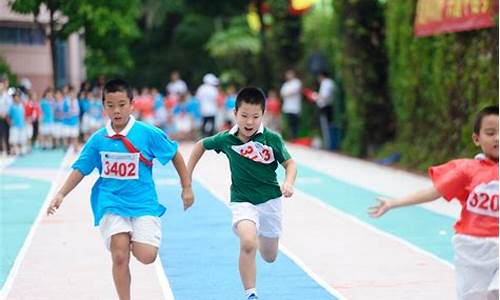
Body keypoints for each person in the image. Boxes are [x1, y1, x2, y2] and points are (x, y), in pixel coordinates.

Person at [46, 79, 195, 300]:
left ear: (132, 104)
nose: (116, 111)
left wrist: (186, 187)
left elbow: (174, 154)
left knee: (147, 256)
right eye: (111, 105)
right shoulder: (98, 139)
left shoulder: (147, 133)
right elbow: (81, 169)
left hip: (143, 202)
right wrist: (60, 193)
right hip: (111, 201)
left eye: (122, 104)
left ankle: (135, 238)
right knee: (119, 254)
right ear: (104, 106)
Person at [369, 105, 499, 300]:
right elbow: (432, 193)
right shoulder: (466, 170)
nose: (498, 138)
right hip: (472, 249)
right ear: (476, 138)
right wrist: (393, 203)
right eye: (491, 133)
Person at [187, 87, 297, 300]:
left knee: (269, 256)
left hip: (271, 202)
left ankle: (265, 235)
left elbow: (290, 163)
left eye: (255, 116)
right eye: (244, 115)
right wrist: (187, 178)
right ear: (234, 113)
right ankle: (251, 294)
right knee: (248, 241)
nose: (249, 121)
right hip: (242, 200)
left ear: (262, 116)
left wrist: (289, 182)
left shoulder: (271, 139)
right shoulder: (226, 139)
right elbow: (200, 145)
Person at [312, 71, 335, 149]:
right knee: (326, 126)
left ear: (321, 76)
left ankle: (328, 145)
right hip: (326, 106)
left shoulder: (327, 83)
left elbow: (325, 96)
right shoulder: (328, 83)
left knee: (326, 126)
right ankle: (328, 143)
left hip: (325, 107)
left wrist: (316, 96)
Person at [280, 69, 302, 139]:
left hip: (295, 107)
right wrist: (289, 93)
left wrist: (288, 93)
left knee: (295, 123)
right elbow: (282, 94)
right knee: (289, 123)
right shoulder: (285, 84)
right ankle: (291, 137)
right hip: (287, 107)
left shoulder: (297, 82)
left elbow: (293, 91)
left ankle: (296, 137)